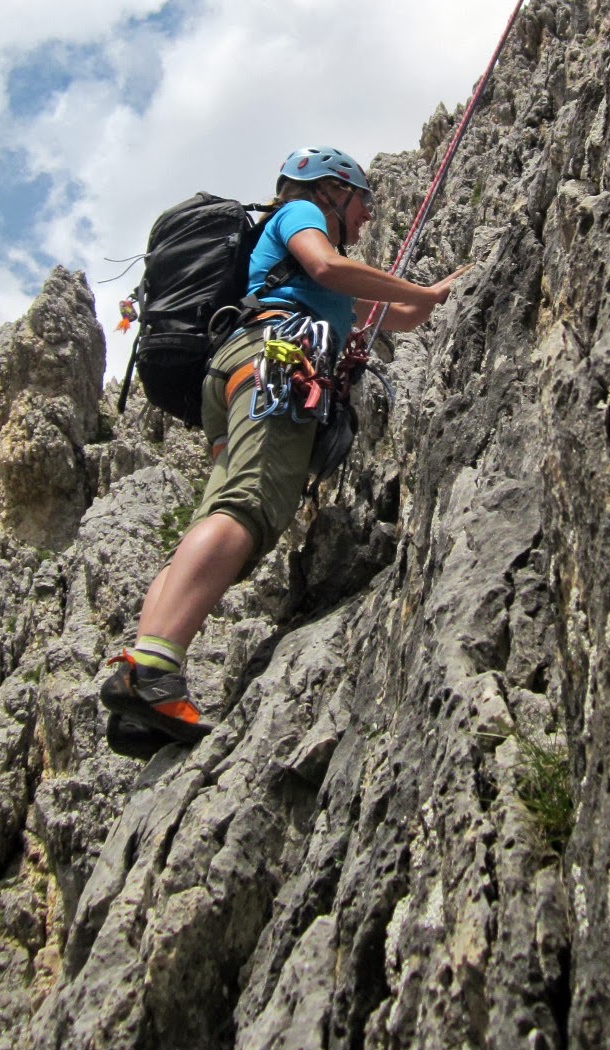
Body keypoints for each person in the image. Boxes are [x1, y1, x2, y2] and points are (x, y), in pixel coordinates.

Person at [101, 146, 467, 745]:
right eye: (363, 202)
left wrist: (431, 298)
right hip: (275, 364)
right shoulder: (301, 214)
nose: (368, 217)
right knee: (247, 507)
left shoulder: (295, 272)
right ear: (331, 190)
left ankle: (147, 674)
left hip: (237, 372)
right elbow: (327, 268)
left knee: (220, 512)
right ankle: (152, 676)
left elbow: (386, 316)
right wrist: (417, 285)